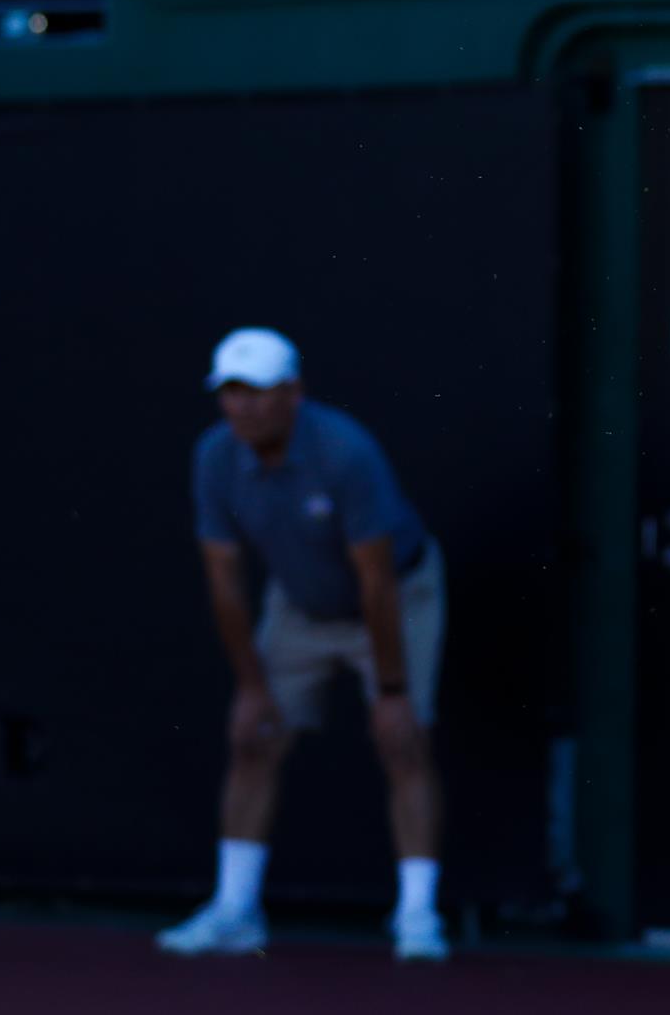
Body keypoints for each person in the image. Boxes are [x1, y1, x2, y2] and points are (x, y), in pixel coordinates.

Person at [157, 328, 450, 962]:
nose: (243, 407)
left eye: (257, 393)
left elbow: (374, 583)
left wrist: (392, 691)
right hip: (300, 603)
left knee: (403, 742)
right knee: (252, 739)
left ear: (293, 392)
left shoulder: (346, 453)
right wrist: (253, 686)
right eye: (231, 393)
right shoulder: (214, 457)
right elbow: (224, 580)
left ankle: (418, 916)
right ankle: (235, 912)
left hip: (396, 596)